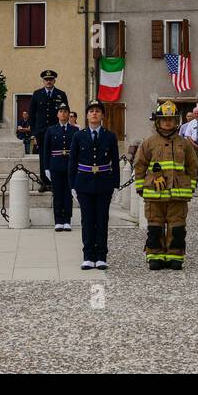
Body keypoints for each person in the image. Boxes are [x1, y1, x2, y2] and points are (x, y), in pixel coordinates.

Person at [133, 100, 198, 270]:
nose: (168, 122)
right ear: (158, 121)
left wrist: (190, 187)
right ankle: (154, 256)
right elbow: (139, 165)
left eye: (171, 119)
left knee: (177, 227)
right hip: (155, 194)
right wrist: (140, 186)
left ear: (177, 121)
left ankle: (175, 256)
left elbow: (193, 167)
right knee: (155, 226)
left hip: (178, 195)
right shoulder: (148, 143)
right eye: (164, 119)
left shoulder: (184, 144)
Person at [69, 99, 120, 270]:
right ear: (87, 115)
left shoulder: (110, 136)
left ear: (102, 115)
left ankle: (101, 256)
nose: (94, 114)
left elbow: (115, 162)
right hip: (83, 183)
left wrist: (116, 185)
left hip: (104, 183)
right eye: (91, 111)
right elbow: (72, 162)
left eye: (98, 111)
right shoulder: (78, 136)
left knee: (102, 220)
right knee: (87, 220)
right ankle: (88, 256)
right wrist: (72, 186)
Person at [29, 70, 68, 192]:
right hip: (41, 132)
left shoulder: (61, 94)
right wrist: (34, 133)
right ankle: (44, 182)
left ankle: (56, 180)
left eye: (51, 79)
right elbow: (32, 115)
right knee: (43, 156)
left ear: (54, 80)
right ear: (43, 81)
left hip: (56, 132)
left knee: (56, 155)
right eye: (46, 79)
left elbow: (65, 113)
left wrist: (63, 130)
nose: (49, 81)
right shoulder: (37, 94)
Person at [43, 103, 77, 231]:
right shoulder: (51, 130)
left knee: (68, 194)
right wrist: (46, 168)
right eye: (61, 111)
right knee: (57, 194)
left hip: (70, 165)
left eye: (65, 111)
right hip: (55, 165)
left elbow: (77, 151)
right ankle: (58, 220)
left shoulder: (75, 131)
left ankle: (67, 220)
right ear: (57, 114)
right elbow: (46, 150)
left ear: (69, 114)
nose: (63, 113)